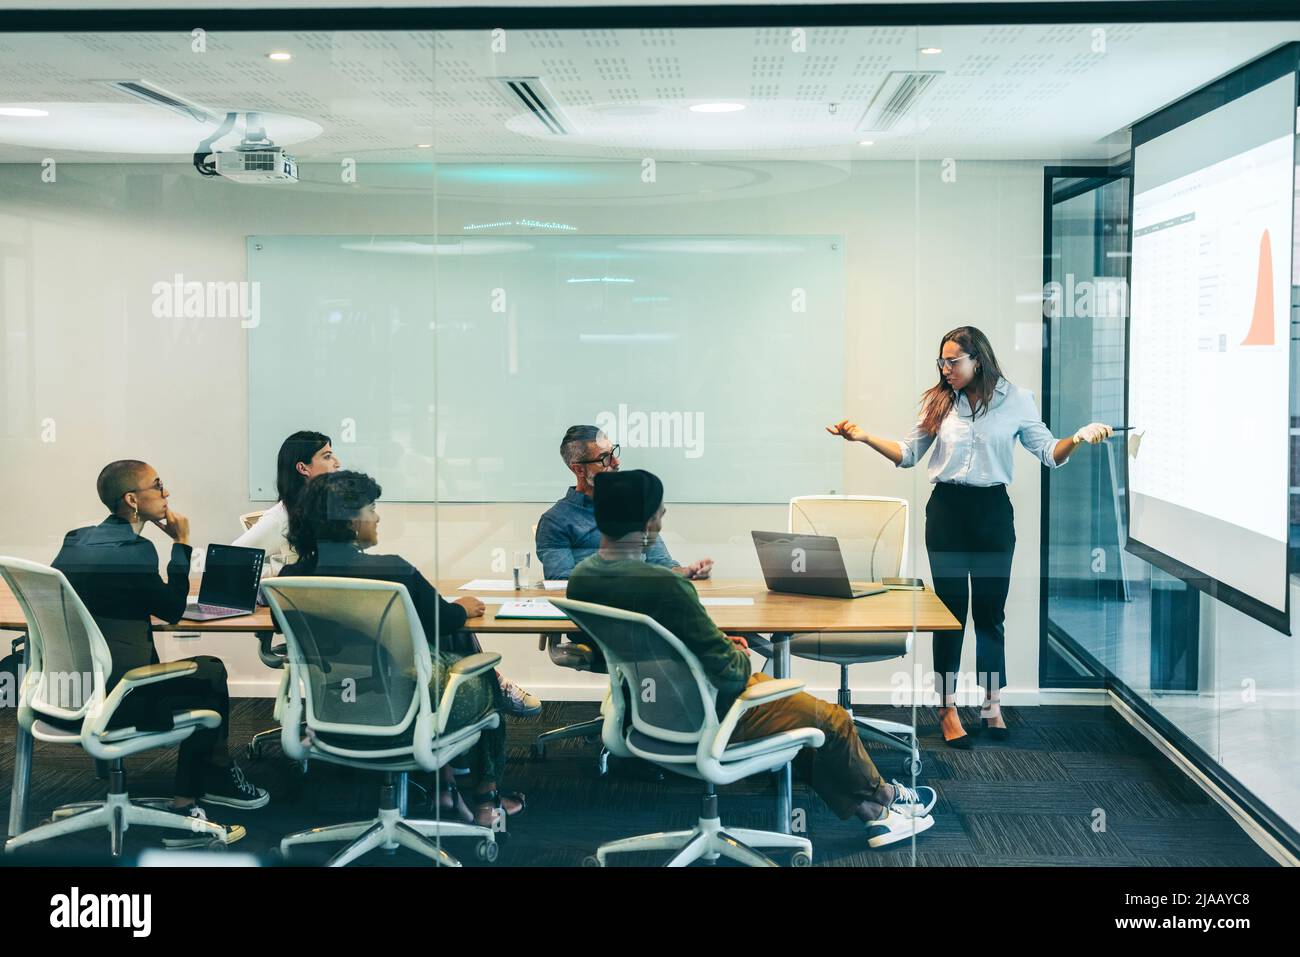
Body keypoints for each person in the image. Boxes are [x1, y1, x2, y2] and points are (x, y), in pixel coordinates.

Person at [566, 469, 937, 848]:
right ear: (647, 521)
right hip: (713, 708)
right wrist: (738, 653)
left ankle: (876, 813)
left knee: (807, 727)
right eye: (660, 510)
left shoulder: (582, 578)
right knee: (833, 721)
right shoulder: (666, 585)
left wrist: (717, 645)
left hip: (645, 711)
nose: (663, 515)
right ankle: (886, 799)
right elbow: (729, 674)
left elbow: (622, 647)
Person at [827, 325, 1113, 749]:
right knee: (950, 615)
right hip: (947, 513)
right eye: (941, 361)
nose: (945, 370)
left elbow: (1050, 454)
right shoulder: (940, 402)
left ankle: (991, 703)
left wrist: (1078, 437)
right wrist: (865, 437)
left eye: (953, 361)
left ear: (978, 359)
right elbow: (908, 455)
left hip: (993, 515)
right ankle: (946, 706)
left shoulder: (1017, 400)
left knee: (991, 615)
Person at [281, 470, 526, 828]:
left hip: (333, 714)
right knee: (487, 685)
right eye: (371, 509)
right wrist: (463, 608)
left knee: (438, 657)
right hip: (402, 710)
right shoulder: (392, 571)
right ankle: (486, 801)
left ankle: (447, 786)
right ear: (350, 522)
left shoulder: (289, 579)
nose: (376, 517)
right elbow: (442, 617)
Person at [50, 460, 270, 847]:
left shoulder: (76, 539)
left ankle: (199, 776)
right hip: (122, 700)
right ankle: (188, 804)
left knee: (187, 670)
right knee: (211, 673)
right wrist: (182, 543)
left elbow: (113, 595)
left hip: (64, 696)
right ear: (132, 499)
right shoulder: (137, 550)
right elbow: (170, 609)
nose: (167, 493)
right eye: (159, 486)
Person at [536, 425, 713, 581]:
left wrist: (688, 571)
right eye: (605, 458)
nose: (616, 462)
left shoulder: (630, 505)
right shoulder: (555, 521)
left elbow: (662, 563)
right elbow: (561, 582)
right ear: (579, 469)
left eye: (614, 452)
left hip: (640, 600)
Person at [233, 430, 340, 575]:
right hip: (295, 597)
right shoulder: (280, 517)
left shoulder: (325, 510)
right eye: (327, 457)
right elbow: (231, 560)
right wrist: (280, 573)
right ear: (303, 468)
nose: (337, 463)